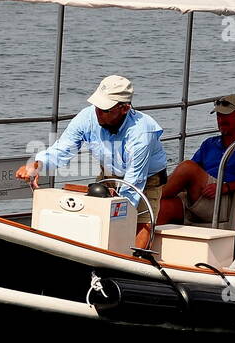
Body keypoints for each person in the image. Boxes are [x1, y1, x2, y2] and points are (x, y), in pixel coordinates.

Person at [16, 75, 167, 249]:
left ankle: (136, 260)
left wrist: (117, 209)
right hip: (109, 173)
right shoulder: (86, 117)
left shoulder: (141, 133)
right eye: (97, 106)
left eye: (105, 109)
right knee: (96, 222)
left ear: (124, 108)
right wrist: (36, 166)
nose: (98, 113)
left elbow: (134, 181)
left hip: (146, 180)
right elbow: (61, 149)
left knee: (138, 228)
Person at [156, 94, 235, 226]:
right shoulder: (209, 143)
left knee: (187, 167)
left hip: (229, 201)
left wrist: (225, 187)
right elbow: (185, 177)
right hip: (201, 196)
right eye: (218, 116)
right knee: (162, 208)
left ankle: (148, 198)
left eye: (226, 115)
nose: (221, 120)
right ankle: (143, 243)